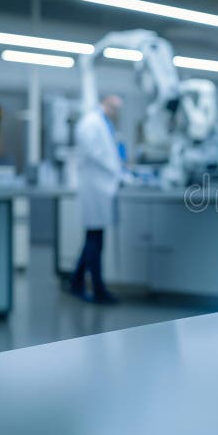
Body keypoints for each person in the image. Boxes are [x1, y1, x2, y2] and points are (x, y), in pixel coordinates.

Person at [69, 94, 124, 304]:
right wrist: (117, 171)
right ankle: (98, 289)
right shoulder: (91, 123)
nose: (116, 112)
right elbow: (97, 154)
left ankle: (77, 281)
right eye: (115, 107)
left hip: (101, 187)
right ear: (105, 103)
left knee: (93, 238)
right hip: (95, 187)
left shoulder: (101, 123)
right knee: (95, 240)